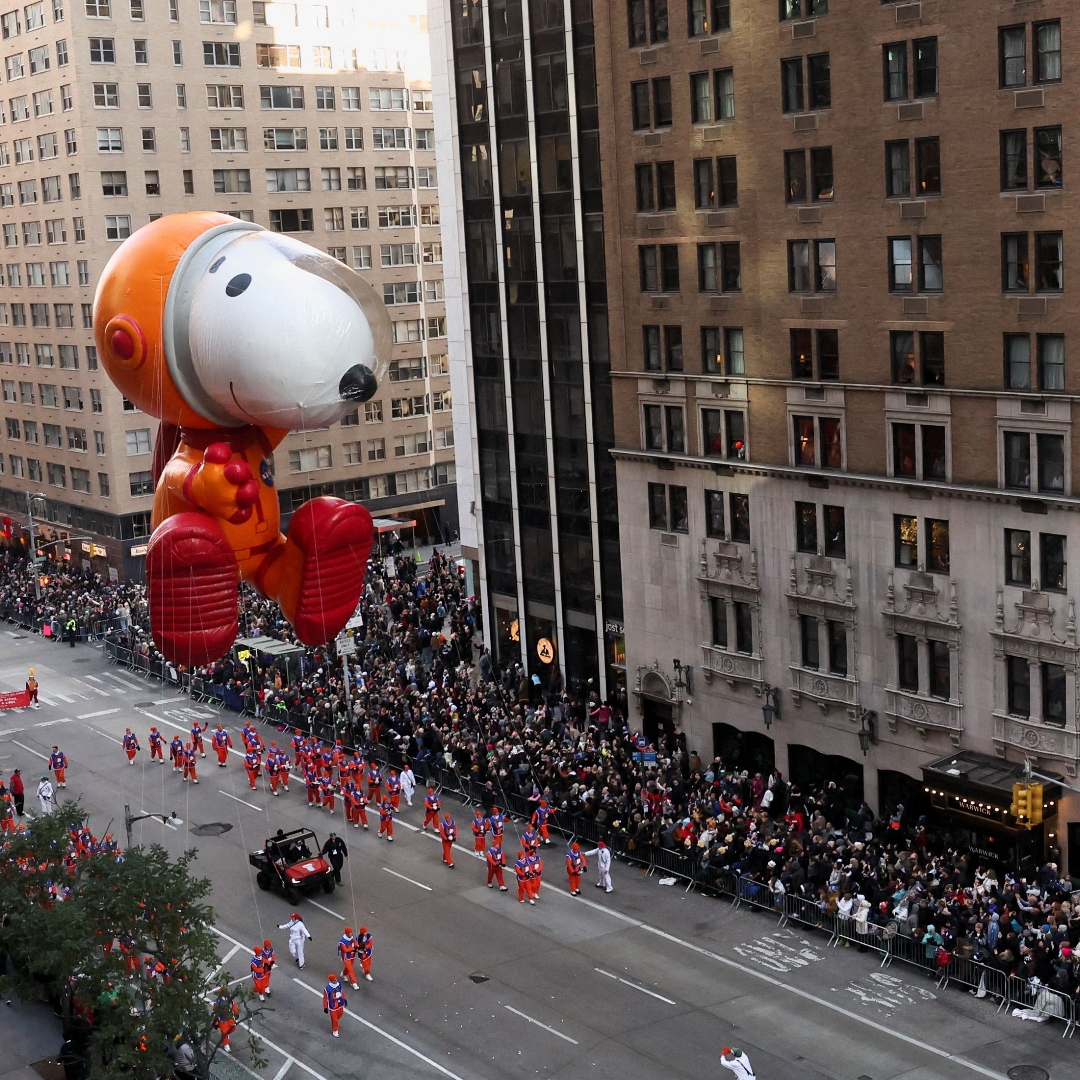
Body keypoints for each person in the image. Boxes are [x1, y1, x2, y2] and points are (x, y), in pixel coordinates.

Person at [212, 989, 239, 1053]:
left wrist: (236, 1014)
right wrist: (216, 1021)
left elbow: (234, 1006)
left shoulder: (229, 999)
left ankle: (226, 1035)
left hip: (230, 1019)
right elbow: (215, 1011)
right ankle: (226, 1045)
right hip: (223, 1021)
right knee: (224, 1033)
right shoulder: (218, 1002)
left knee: (233, 1028)